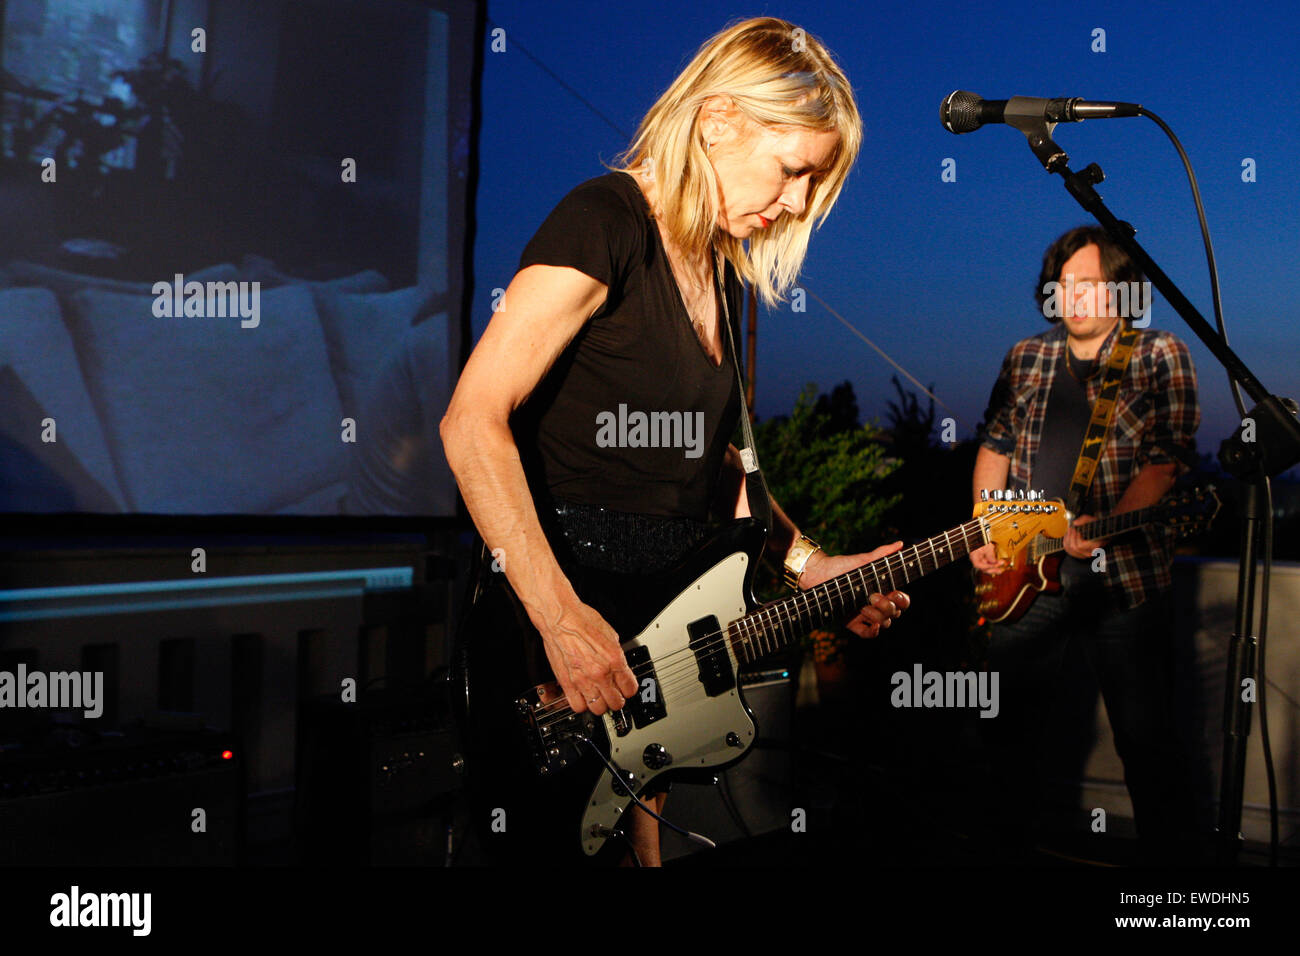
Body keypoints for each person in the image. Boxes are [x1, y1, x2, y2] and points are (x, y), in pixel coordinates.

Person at [440, 17, 909, 866]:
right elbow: (472, 418)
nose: (799, 203)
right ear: (719, 118)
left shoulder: (727, 280)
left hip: (656, 633)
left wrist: (811, 566)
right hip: (554, 631)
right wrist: (560, 618)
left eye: (815, 182)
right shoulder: (601, 221)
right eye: (794, 169)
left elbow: (720, 470)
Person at [969, 225, 1206, 862]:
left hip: (1123, 583)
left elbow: (1165, 462)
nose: (1071, 296)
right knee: (1006, 740)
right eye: (1063, 284)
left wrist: (1099, 531)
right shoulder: (1025, 357)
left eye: (1088, 284)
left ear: (1122, 289)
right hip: (1022, 581)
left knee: (1148, 744)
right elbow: (993, 448)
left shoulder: (1160, 353)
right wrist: (985, 529)